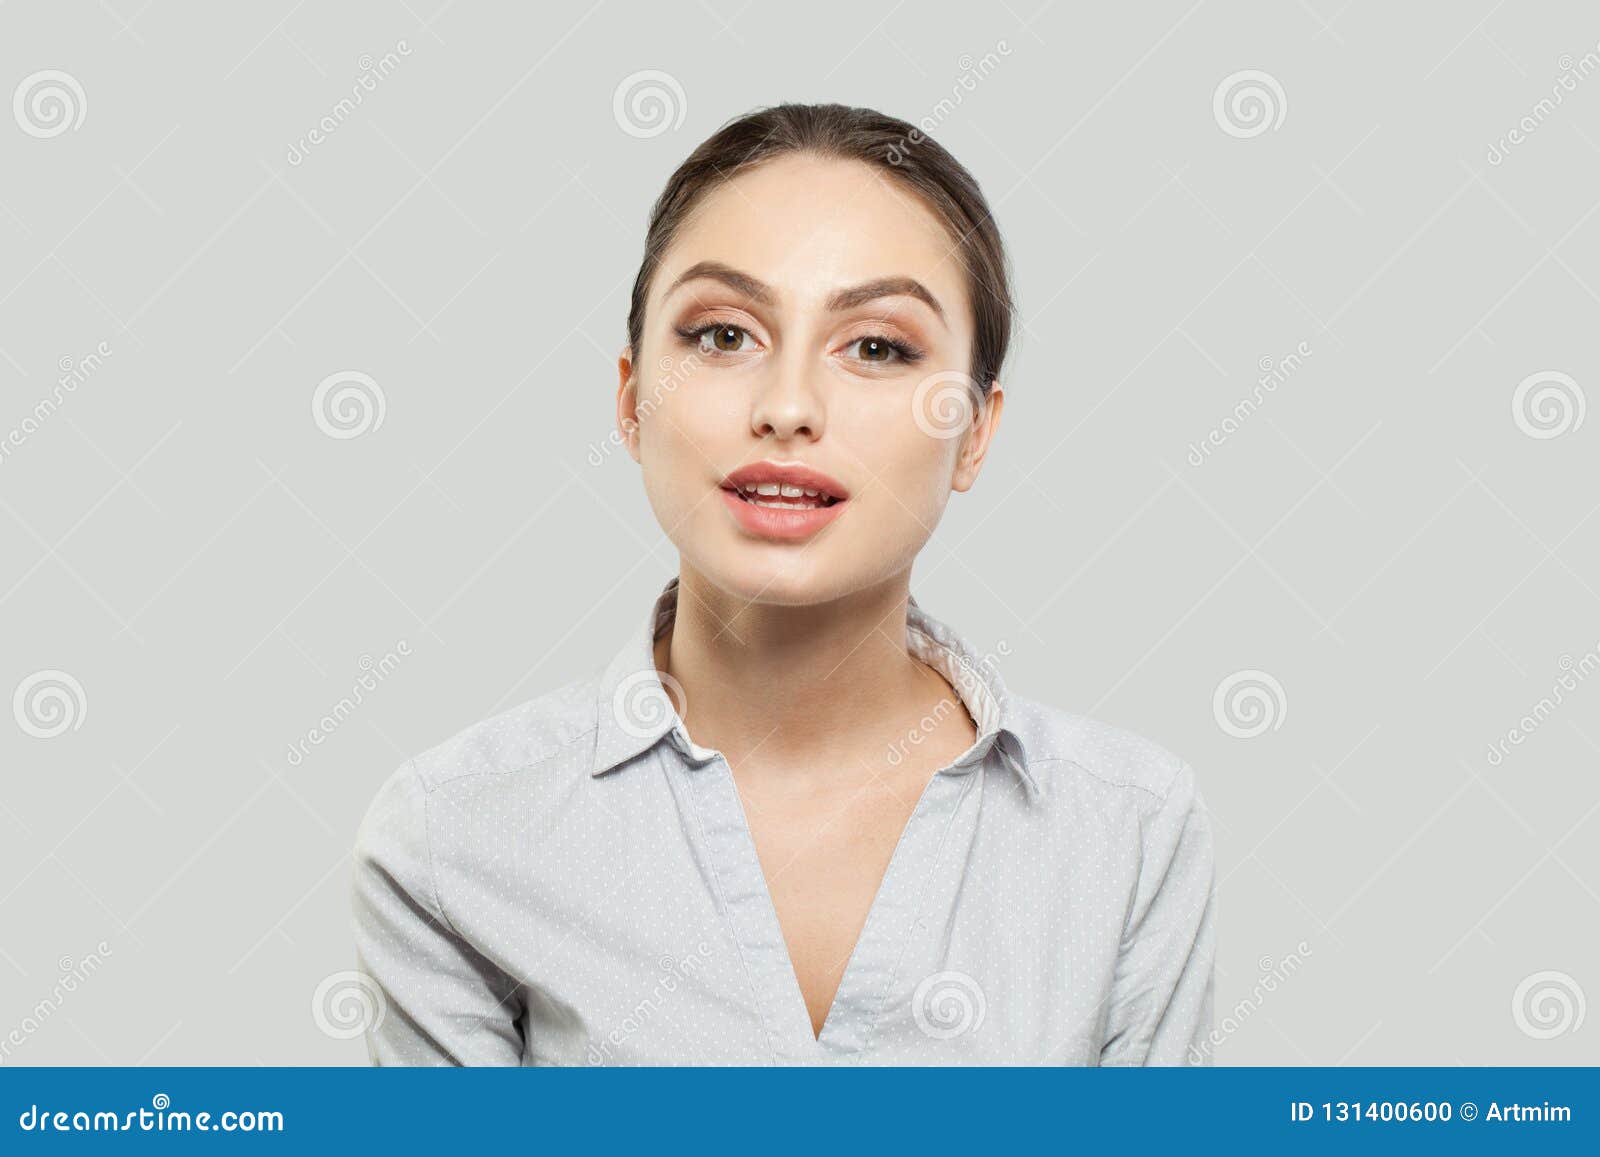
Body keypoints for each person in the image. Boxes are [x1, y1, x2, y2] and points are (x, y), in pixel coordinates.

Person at [351, 102, 1216, 1065]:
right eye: (724, 335)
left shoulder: (1129, 826)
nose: (789, 406)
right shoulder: (454, 835)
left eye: (877, 346)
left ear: (974, 431)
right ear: (632, 400)